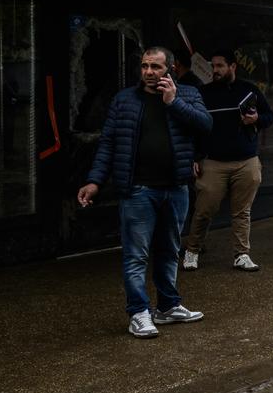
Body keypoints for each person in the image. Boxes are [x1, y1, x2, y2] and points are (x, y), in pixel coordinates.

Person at [77, 47, 212, 339]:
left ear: (171, 69)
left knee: (168, 251)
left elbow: (205, 126)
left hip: (176, 189)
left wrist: (173, 102)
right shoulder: (125, 100)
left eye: (156, 67)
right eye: (144, 66)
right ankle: (139, 313)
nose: (149, 72)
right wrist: (95, 181)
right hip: (139, 190)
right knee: (136, 254)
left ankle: (168, 306)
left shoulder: (187, 95)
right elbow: (109, 144)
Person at [182, 50, 273, 273]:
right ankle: (192, 251)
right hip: (213, 162)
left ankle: (241, 255)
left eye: (220, 66)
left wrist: (256, 119)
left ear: (233, 66)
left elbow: (269, 116)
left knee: (242, 211)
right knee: (204, 209)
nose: (215, 70)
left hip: (246, 161)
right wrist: (195, 156)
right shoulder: (203, 93)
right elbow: (194, 127)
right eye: (213, 66)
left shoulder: (249, 89)